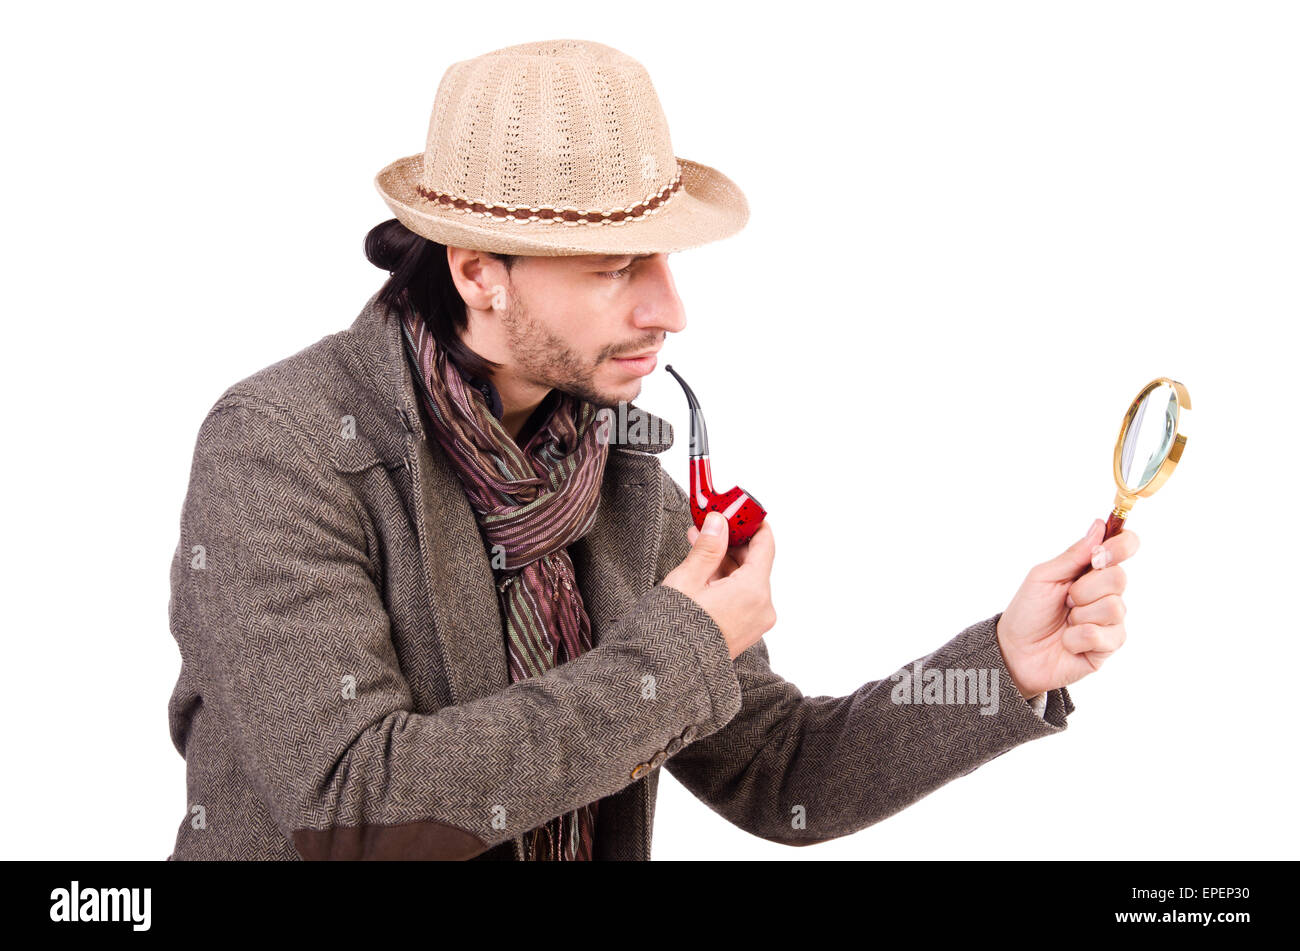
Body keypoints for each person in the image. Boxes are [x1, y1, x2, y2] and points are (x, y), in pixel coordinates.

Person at [165, 39, 1137, 861]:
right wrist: (677, 651)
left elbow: (776, 767)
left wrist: (1003, 665)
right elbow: (352, 810)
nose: (670, 309)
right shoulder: (281, 450)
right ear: (478, 273)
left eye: (665, 260)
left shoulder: (618, 481)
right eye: (615, 268)